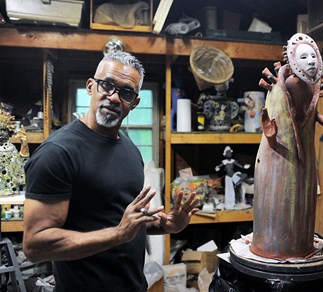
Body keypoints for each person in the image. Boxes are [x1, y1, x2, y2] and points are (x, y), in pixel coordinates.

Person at [23, 51, 200, 292]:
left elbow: (124, 221)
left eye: (126, 92)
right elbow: (35, 246)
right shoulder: (58, 152)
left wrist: (166, 226)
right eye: (107, 85)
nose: (114, 97)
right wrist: (117, 234)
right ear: (90, 87)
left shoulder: (129, 149)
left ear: (134, 102)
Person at [251, 33, 323, 259]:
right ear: (293, 61)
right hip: (277, 160)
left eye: (314, 56)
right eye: (304, 57)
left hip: (303, 166)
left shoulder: (311, 93)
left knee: (301, 207)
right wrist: (271, 135)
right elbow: (272, 121)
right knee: (276, 205)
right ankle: (269, 247)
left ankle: (296, 246)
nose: (311, 61)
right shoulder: (281, 89)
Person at [0, 110, 29, 196]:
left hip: (11, 190)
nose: (0, 133)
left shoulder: (12, 150)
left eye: (3, 130)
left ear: (9, 132)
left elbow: (21, 167)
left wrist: (24, 147)